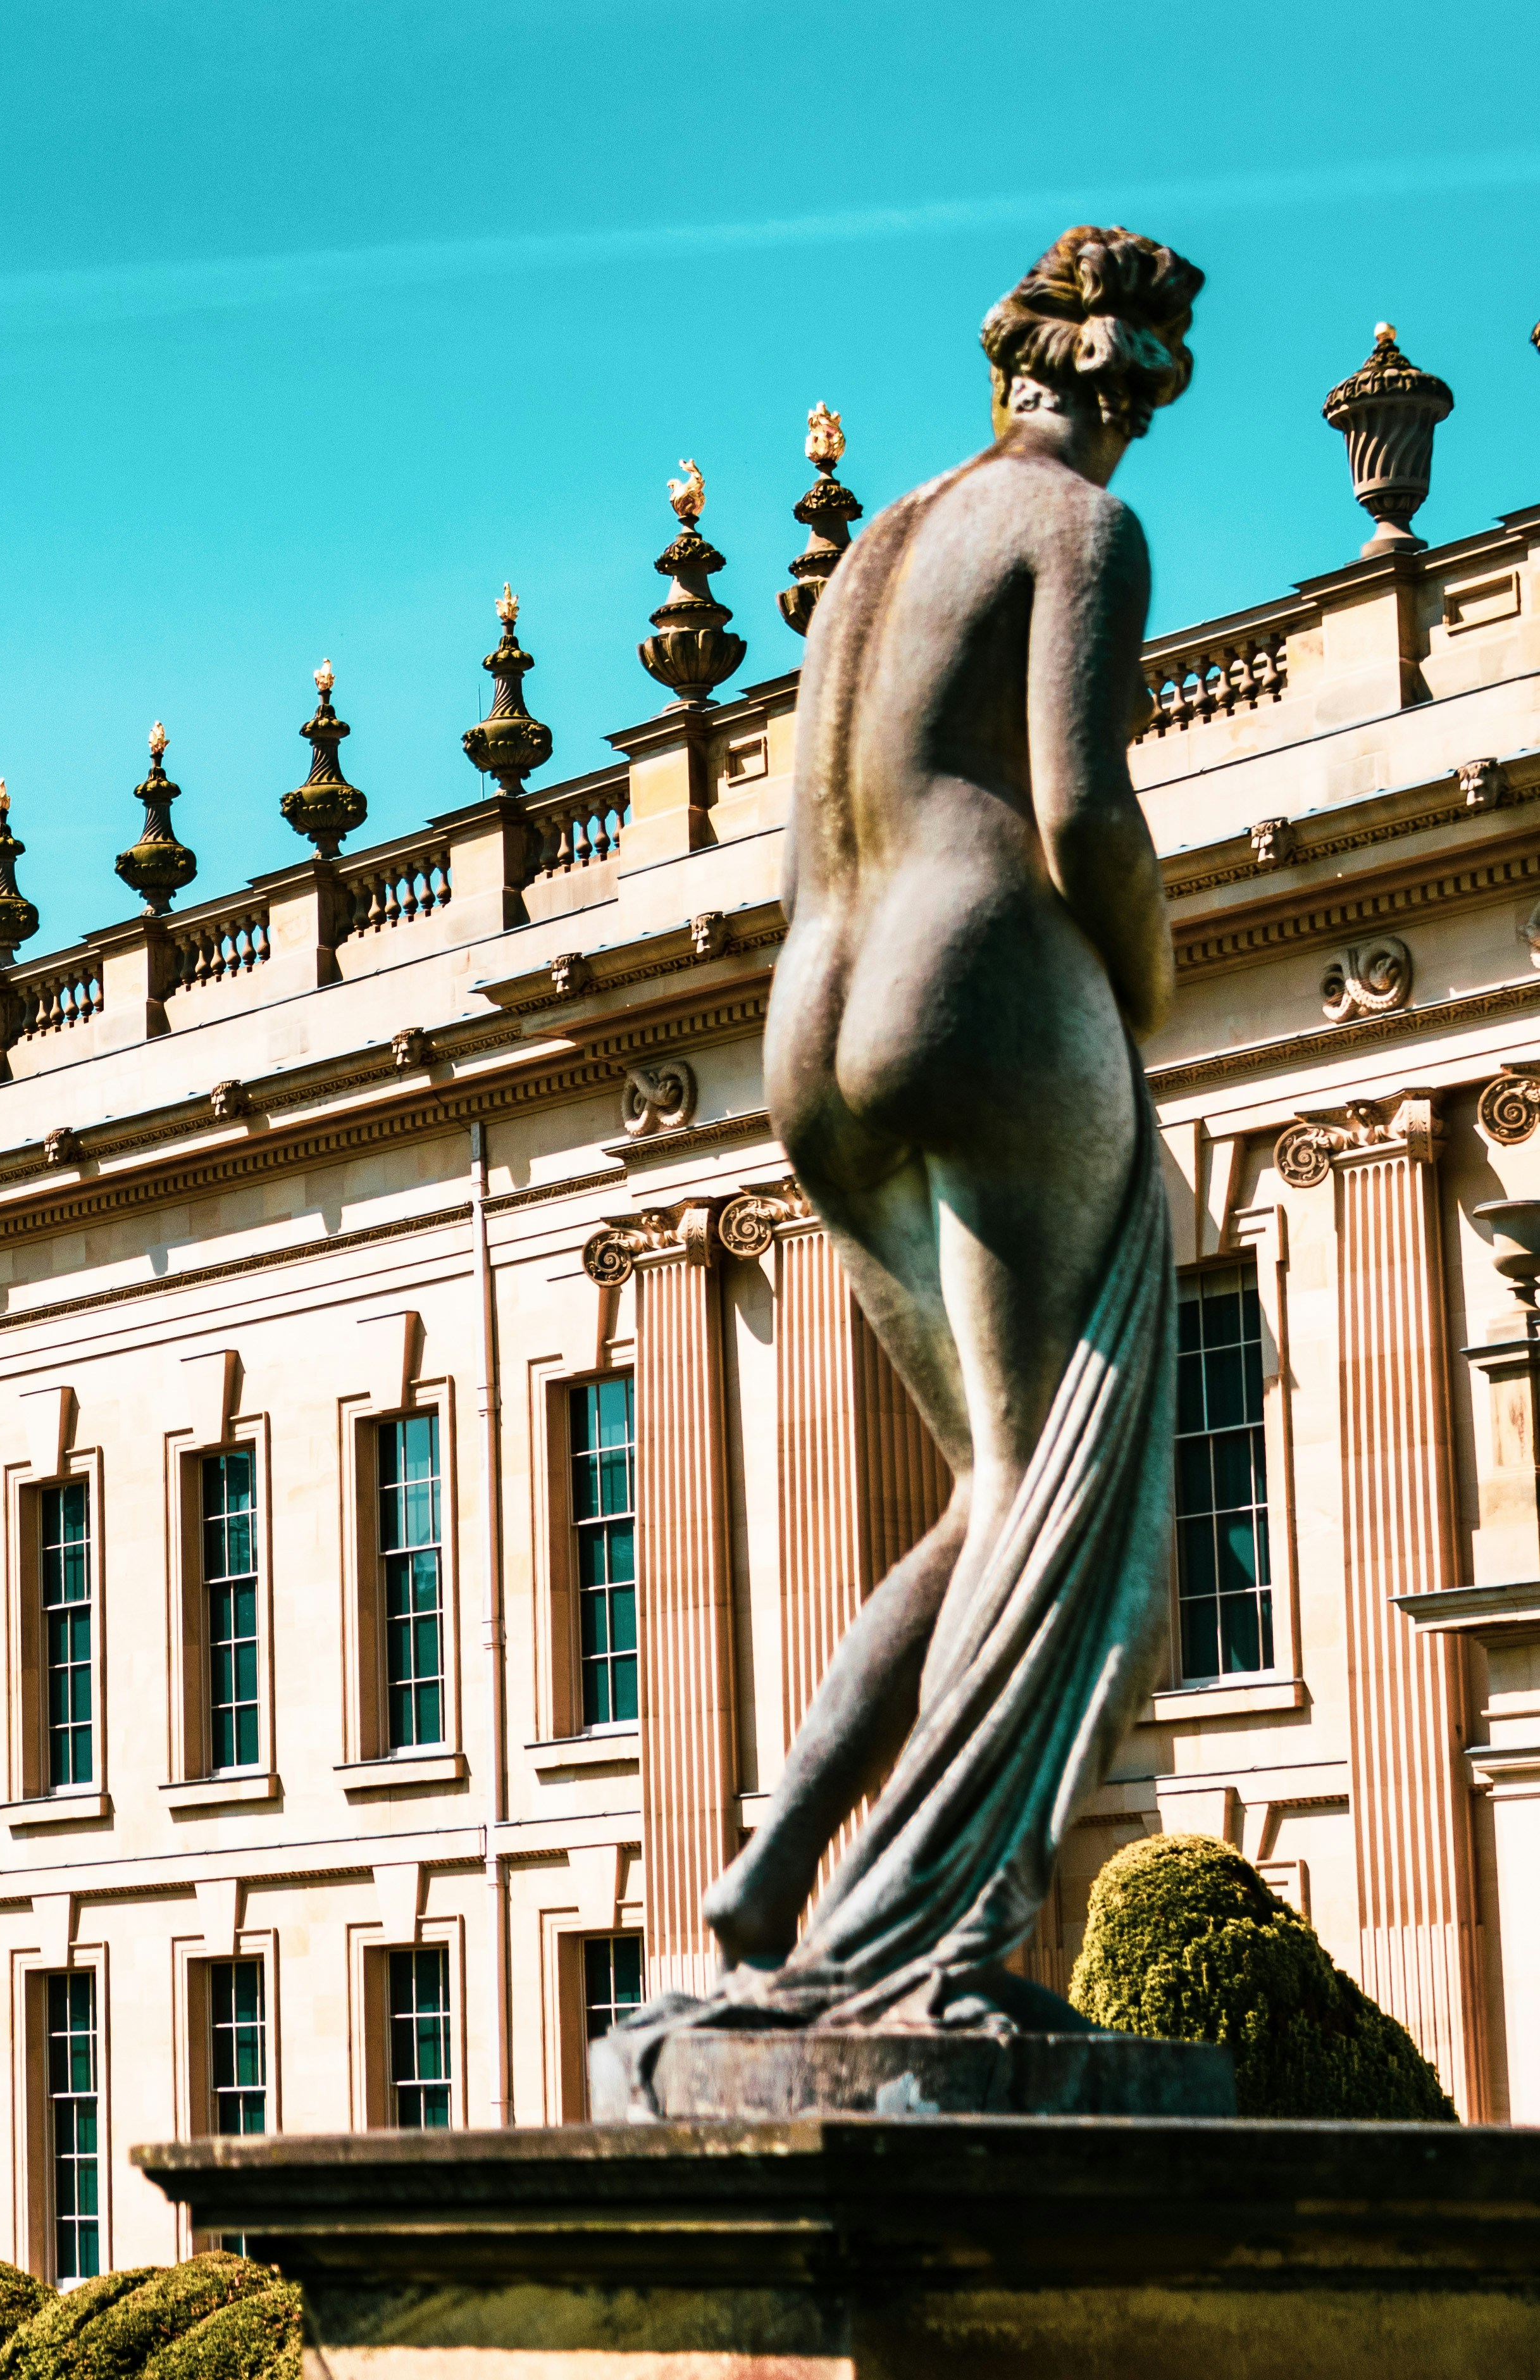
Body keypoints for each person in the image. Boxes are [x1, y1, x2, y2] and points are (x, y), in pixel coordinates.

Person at [669, 225, 1204, 2038]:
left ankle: (772, 1861)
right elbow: (1082, 803)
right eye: (1142, 384)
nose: (1136, 419)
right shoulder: (1079, 528)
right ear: (1107, 382)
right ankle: (944, 1931)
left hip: (814, 1022)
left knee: (994, 1479)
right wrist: (1140, 983)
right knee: (1084, 1514)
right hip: (986, 987)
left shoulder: (874, 552)